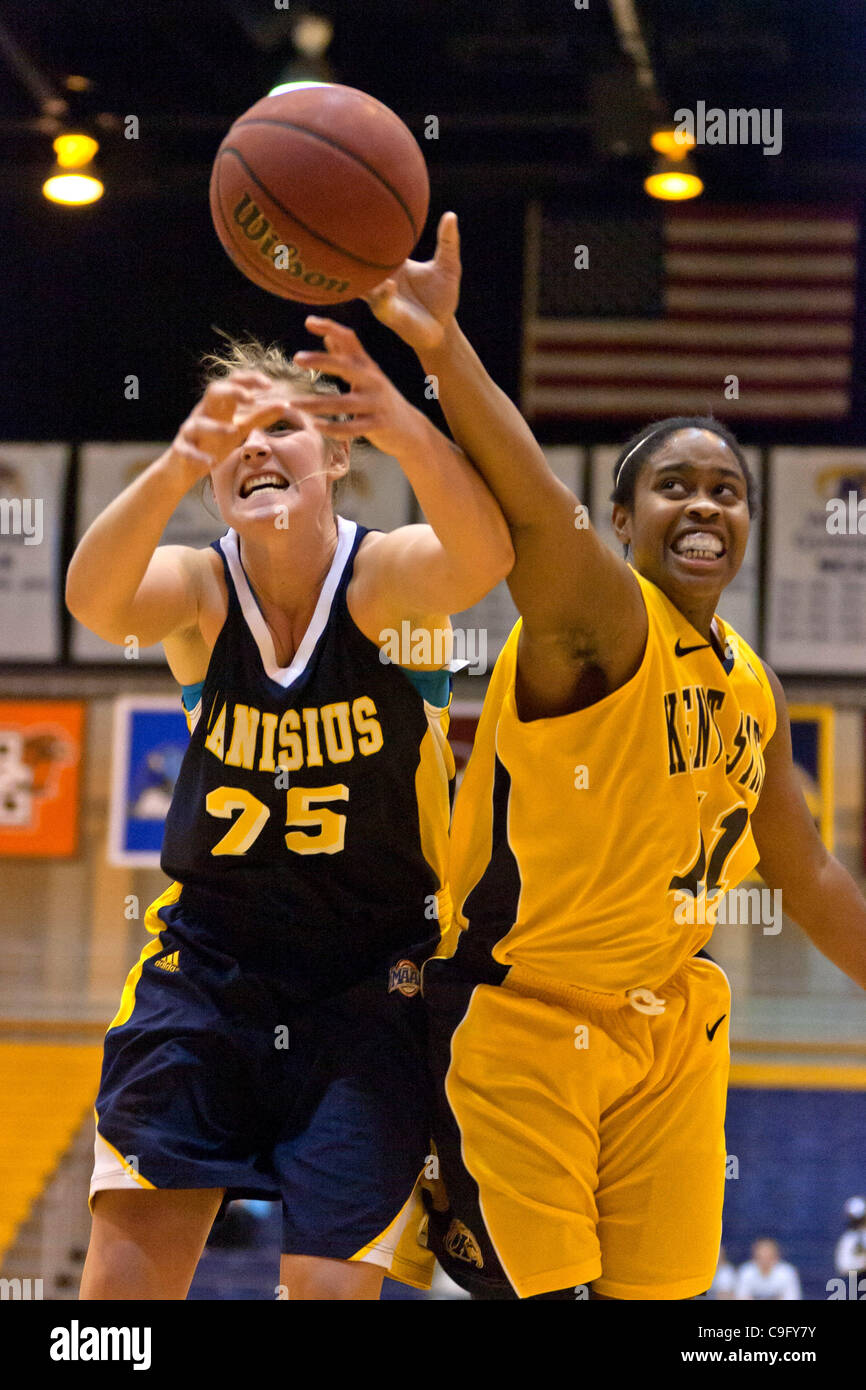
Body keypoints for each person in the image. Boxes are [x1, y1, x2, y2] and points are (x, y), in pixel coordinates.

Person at [367, 212, 866, 1300]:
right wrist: (442, 349)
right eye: (673, 486)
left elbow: (810, 875)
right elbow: (538, 517)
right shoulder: (600, 619)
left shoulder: (750, 682)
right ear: (622, 518)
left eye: (725, 489)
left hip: (669, 1024)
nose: (702, 505)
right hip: (521, 1015)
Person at [67, 316, 513, 1300]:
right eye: (231, 438)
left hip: (369, 984)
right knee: (117, 1309)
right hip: (207, 973)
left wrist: (404, 421)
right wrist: (174, 459)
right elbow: (94, 599)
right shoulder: (199, 590)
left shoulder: (387, 578)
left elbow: (481, 557)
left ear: (335, 452)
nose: (253, 447)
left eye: (281, 427)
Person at [736, 1238, 801, 1300]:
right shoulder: (746, 1271)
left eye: (769, 1255)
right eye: (761, 1256)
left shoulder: (787, 1272)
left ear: (776, 1256)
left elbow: (793, 1297)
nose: (765, 1259)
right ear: (755, 1256)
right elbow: (741, 1297)